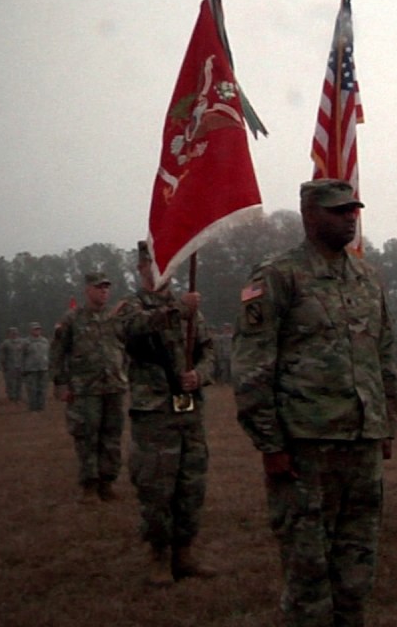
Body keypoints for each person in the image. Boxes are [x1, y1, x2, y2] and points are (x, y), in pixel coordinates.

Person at [234, 178, 397, 627]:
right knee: (308, 571)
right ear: (309, 215)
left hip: (362, 442)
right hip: (305, 447)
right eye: (337, 210)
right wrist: (270, 443)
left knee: (357, 567)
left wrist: (385, 425)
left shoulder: (366, 277)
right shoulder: (277, 276)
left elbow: (383, 353)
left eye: (353, 209)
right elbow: (252, 365)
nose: (350, 216)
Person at [116, 241, 217, 586]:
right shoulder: (132, 306)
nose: (162, 271)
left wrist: (199, 375)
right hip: (154, 414)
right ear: (142, 267)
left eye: (168, 264)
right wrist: (178, 311)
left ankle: (184, 553)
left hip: (189, 412)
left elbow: (209, 351)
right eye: (154, 264)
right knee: (156, 486)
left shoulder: (190, 309)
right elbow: (131, 329)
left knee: (191, 484)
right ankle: (158, 556)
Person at [52, 272, 128, 504]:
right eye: (99, 287)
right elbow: (57, 353)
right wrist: (61, 383)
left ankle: (107, 482)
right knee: (87, 437)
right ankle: (90, 486)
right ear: (88, 290)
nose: (104, 291)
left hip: (113, 387)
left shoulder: (116, 318)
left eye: (107, 287)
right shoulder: (73, 319)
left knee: (112, 437)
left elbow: (124, 349)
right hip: (85, 390)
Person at [22, 323, 51, 411]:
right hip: (31, 369)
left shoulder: (45, 341)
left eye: (38, 329)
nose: (37, 331)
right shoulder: (26, 342)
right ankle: (33, 407)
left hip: (43, 368)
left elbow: (49, 354)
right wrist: (23, 368)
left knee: (43, 389)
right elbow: (22, 355)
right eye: (35, 329)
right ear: (31, 330)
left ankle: (41, 407)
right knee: (32, 389)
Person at [0, 327, 25, 403]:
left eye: (15, 333)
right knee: (11, 383)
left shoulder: (22, 342)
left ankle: (19, 397)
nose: (14, 334)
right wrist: (4, 365)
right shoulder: (6, 343)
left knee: (19, 382)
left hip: (20, 366)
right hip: (10, 366)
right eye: (12, 333)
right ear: (9, 334)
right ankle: (12, 397)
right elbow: (2, 355)